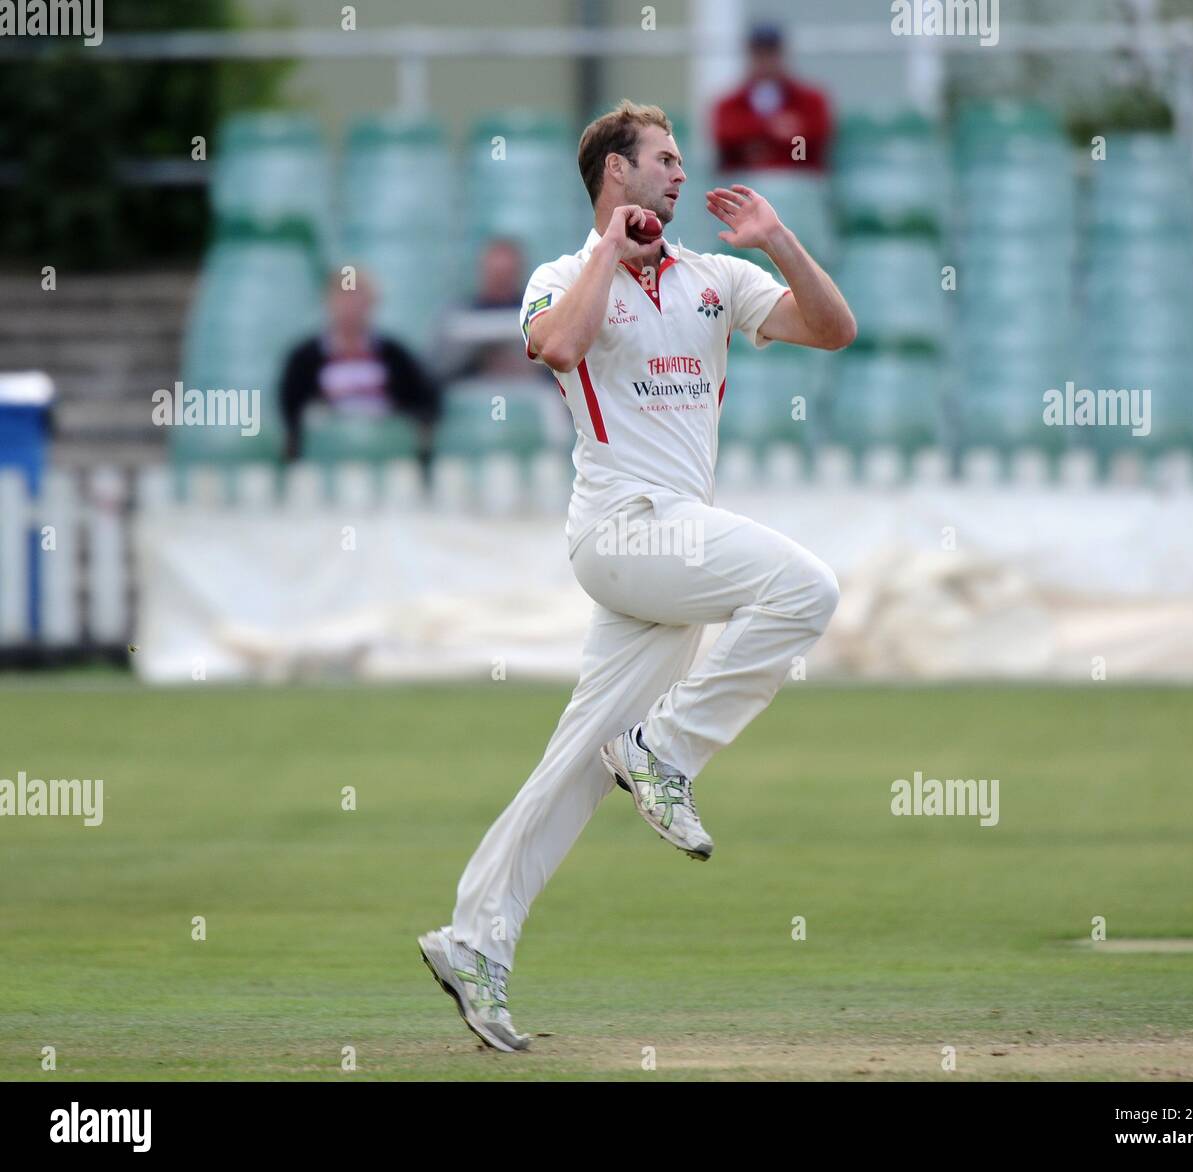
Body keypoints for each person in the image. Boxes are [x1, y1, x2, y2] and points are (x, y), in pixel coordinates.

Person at [417, 100, 855, 1052]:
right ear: (615, 172)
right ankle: (668, 753)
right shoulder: (563, 277)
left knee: (577, 763)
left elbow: (834, 330)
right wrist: (609, 253)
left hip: (671, 550)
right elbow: (560, 347)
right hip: (622, 532)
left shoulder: (714, 277)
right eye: (662, 158)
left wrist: (780, 241)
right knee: (806, 589)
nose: (681, 172)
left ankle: (472, 941)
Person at [278, 271, 441, 461]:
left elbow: (424, 401)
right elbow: (292, 411)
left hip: (386, 451)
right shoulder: (304, 358)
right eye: (343, 296)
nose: (349, 306)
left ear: (372, 302)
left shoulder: (395, 354)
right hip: (329, 454)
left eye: (356, 297)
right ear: (328, 301)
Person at [712, 23, 833, 173]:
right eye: (759, 53)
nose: (765, 60)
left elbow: (815, 137)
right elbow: (726, 136)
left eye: (770, 53)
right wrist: (770, 127)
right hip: (745, 182)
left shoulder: (810, 99)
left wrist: (763, 136)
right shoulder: (729, 103)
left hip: (798, 181)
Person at [434, 237, 544, 381]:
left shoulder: (537, 313)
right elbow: (439, 368)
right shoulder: (458, 314)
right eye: (497, 273)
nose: (502, 280)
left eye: (507, 273)